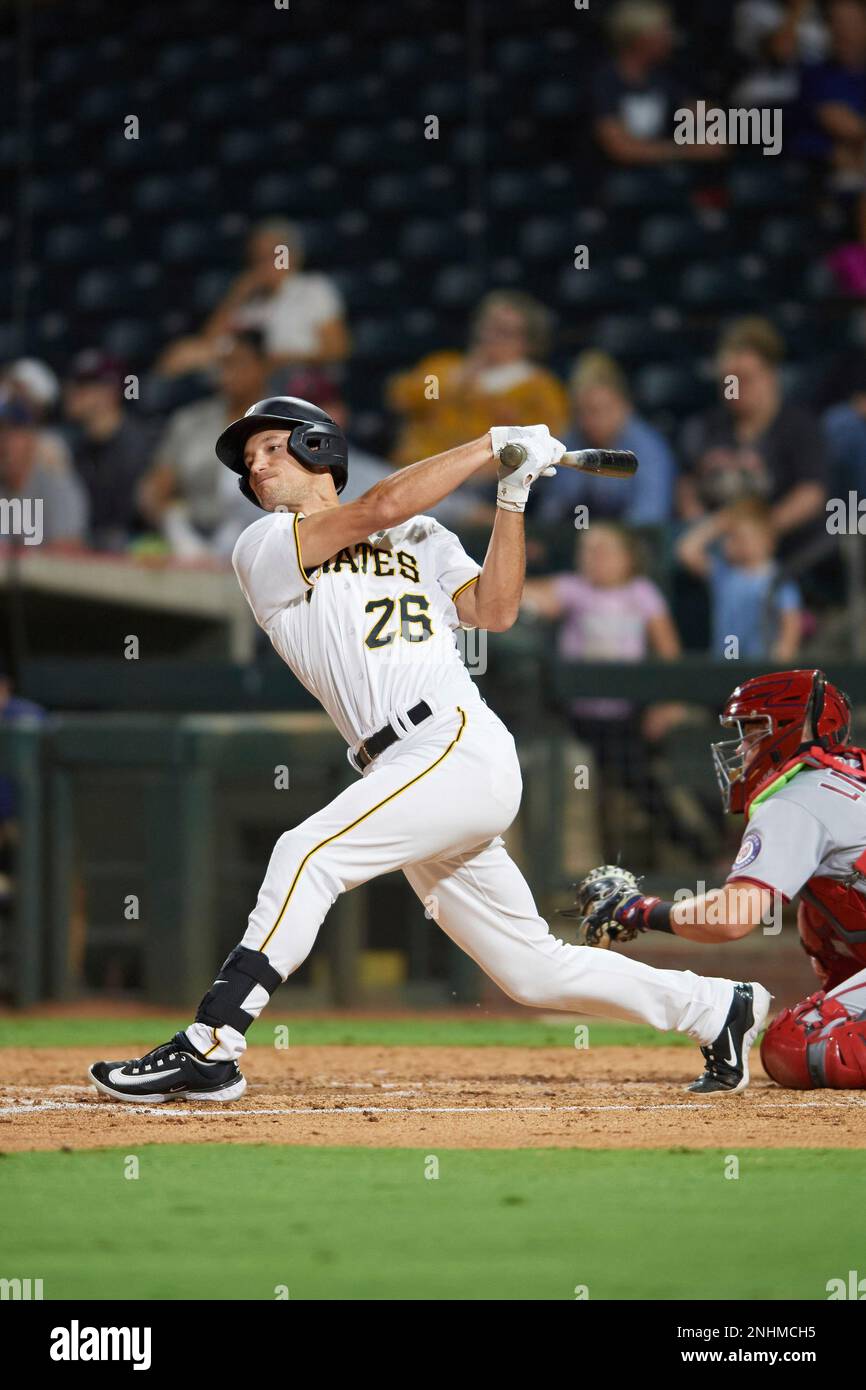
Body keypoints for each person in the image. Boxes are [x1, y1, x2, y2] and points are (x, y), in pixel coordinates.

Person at [88, 397, 767, 1103]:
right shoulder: (264, 545)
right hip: (405, 767)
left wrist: (511, 495)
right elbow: (376, 507)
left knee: (307, 853)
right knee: (531, 971)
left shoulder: (423, 532)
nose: (255, 467)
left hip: (452, 742)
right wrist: (487, 444)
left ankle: (212, 1042)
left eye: (270, 449)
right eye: (248, 461)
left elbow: (495, 611)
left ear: (319, 449)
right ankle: (716, 1008)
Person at [571, 669, 866, 1090]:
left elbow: (732, 918)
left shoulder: (799, 799)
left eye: (752, 731)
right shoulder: (847, 773)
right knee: (819, 916)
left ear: (792, 728)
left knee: (799, 1044)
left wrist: (639, 910)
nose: (742, 747)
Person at [521, 523, 707, 864]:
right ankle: (577, 870)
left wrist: (667, 704)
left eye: (603, 550)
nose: (593, 558)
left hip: (628, 719)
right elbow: (530, 595)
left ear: (628, 559)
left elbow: (668, 652)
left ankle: (697, 851)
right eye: (587, 550)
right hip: (577, 719)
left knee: (646, 786)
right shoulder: (574, 589)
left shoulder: (641, 592)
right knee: (577, 780)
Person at [679, 317, 828, 560]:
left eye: (745, 378)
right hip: (714, 548)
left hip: (782, 549)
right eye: (728, 380)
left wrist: (759, 533)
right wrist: (696, 523)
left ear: (770, 376)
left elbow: (811, 494)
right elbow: (687, 484)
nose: (735, 388)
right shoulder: (705, 426)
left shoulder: (800, 427)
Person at [387, 291, 569, 471]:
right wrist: (454, 382)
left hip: (474, 483)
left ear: (528, 342)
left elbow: (545, 447)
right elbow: (401, 399)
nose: (490, 337)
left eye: (504, 332)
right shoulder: (443, 366)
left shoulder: (540, 388)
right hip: (408, 466)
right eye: (487, 327)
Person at [156, 220, 348, 381]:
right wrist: (235, 297)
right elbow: (209, 342)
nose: (262, 265)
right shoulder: (248, 301)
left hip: (294, 376)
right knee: (182, 352)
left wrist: (282, 358)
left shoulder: (312, 288)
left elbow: (337, 349)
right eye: (257, 258)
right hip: (244, 374)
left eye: (270, 256)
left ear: (292, 256)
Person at [138, 331, 268, 559]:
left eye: (238, 363)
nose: (228, 373)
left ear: (261, 366)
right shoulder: (191, 420)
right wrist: (175, 528)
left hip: (259, 540)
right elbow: (155, 489)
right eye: (223, 365)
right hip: (193, 538)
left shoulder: (285, 420)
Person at [533, 351, 676, 525]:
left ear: (624, 406)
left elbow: (649, 517)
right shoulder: (570, 443)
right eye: (581, 412)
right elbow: (554, 512)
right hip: (582, 541)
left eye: (597, 411)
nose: (588, 422)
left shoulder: (649, 450)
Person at [592, 1, 725, 165]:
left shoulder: (661, 77)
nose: (671, 38)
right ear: (638, 37)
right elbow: (621, 148)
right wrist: (689, 150)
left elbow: (702, 112)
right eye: (663, 31)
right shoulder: (605, 80)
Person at [677, 497, 802, 660]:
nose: (736, 543)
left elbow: (790, 623)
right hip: (725, 665)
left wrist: (781, 660)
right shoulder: (723, 574)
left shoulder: (778, 580)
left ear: (768, 540)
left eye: (744, 538)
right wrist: (720, 522)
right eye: (732, 537)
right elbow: (686, 551)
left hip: (761, 669)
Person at [63, 350, 156, 552]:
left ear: (109, 391)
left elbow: (130, 520)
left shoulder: (138, 444)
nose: (74, 392)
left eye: (84, 385)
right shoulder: (78, 447)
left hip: (134, 554)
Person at [0, 394, 88, 547]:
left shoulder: (56, 485)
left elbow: (69, 550)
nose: (4, 441)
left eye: (12, 433)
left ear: (31, 439)